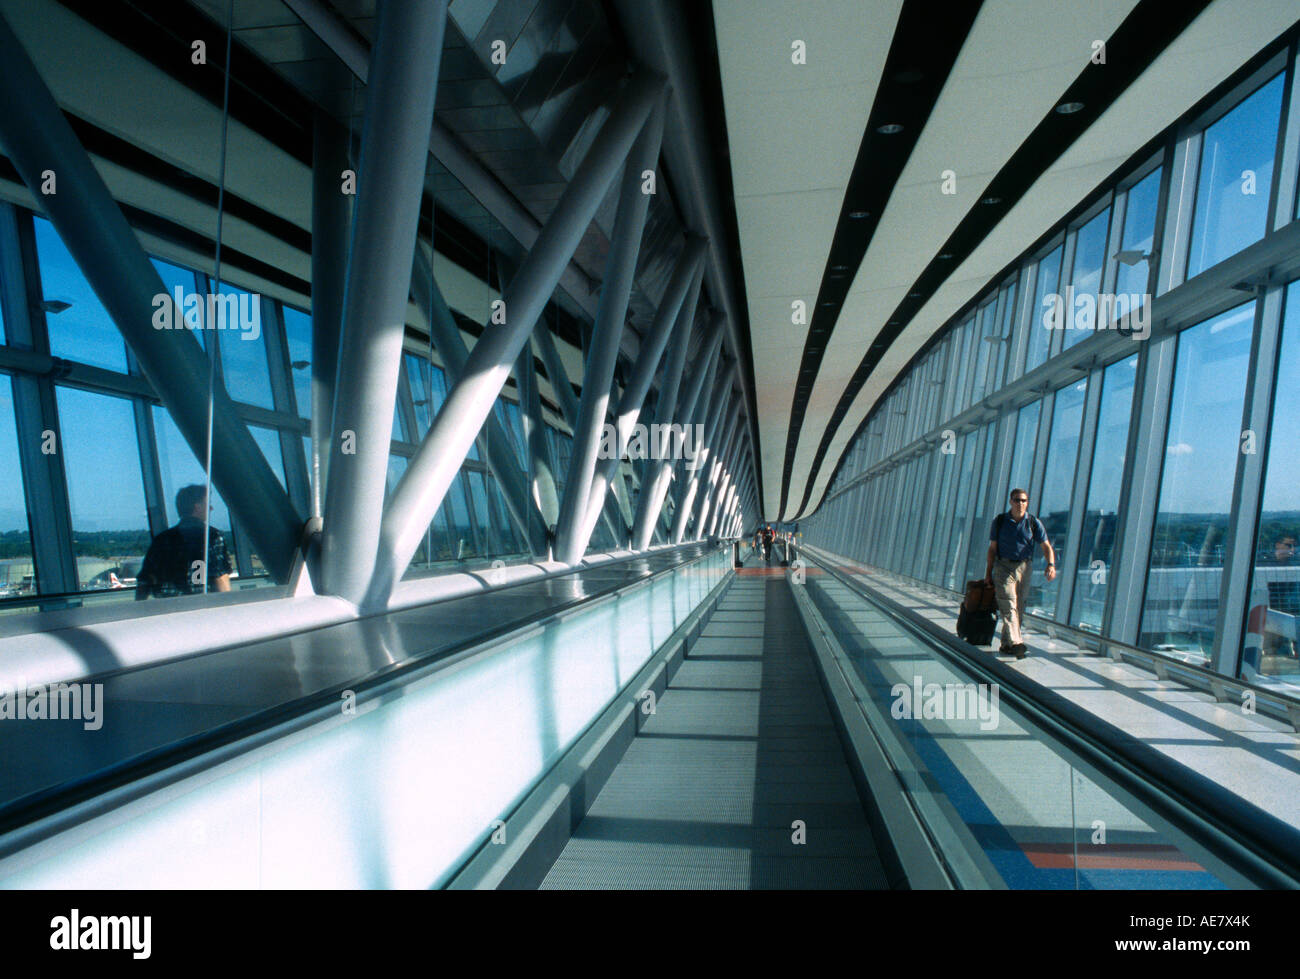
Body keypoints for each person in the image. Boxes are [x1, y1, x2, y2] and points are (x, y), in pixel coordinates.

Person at [983, 488, 1055, 658]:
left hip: (1025, 568)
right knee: (1009, 605)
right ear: (1010, 501)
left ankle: (1006, 645)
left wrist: (1050, 564)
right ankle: (1017, 642)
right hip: (1003, 567)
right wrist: (988, 573)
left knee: (1019, 608)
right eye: (1017, 500)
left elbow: (1046, 547)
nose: (1020, 504)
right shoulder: (1000, 521)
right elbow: (992, 549)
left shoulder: (1033, 523)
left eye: (1023, 501)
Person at [136, 484, 233, 599]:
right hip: (201, 607)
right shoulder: (212, 536)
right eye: (207, 504)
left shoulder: (161, 539)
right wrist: (230, 606)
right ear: (197, 507)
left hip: (166, 609)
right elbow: (219, 576)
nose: (211, 508)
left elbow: (144, 581)